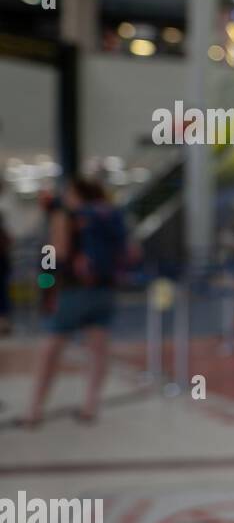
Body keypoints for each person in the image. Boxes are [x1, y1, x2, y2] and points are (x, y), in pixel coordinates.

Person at [24, 178, 127, 426]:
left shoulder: (66, 215)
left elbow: (57, 252)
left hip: (72, 290)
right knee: (98, 349)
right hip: (104, 289)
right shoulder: (110, 214)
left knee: (51, 348)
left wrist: (46, 281)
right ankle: (90, 406)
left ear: (78, 194)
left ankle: (35, 410)